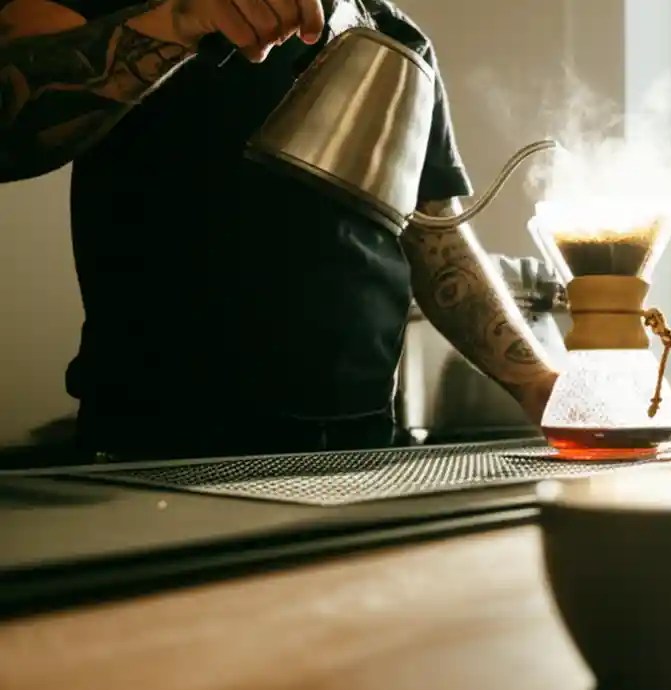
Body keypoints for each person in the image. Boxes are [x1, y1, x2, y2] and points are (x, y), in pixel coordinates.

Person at [0, 0, 559, 459]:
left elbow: (439, 240)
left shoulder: (395, 38)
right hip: (159, 440)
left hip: (359, 448)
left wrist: (541, 385)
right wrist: (181, 21)